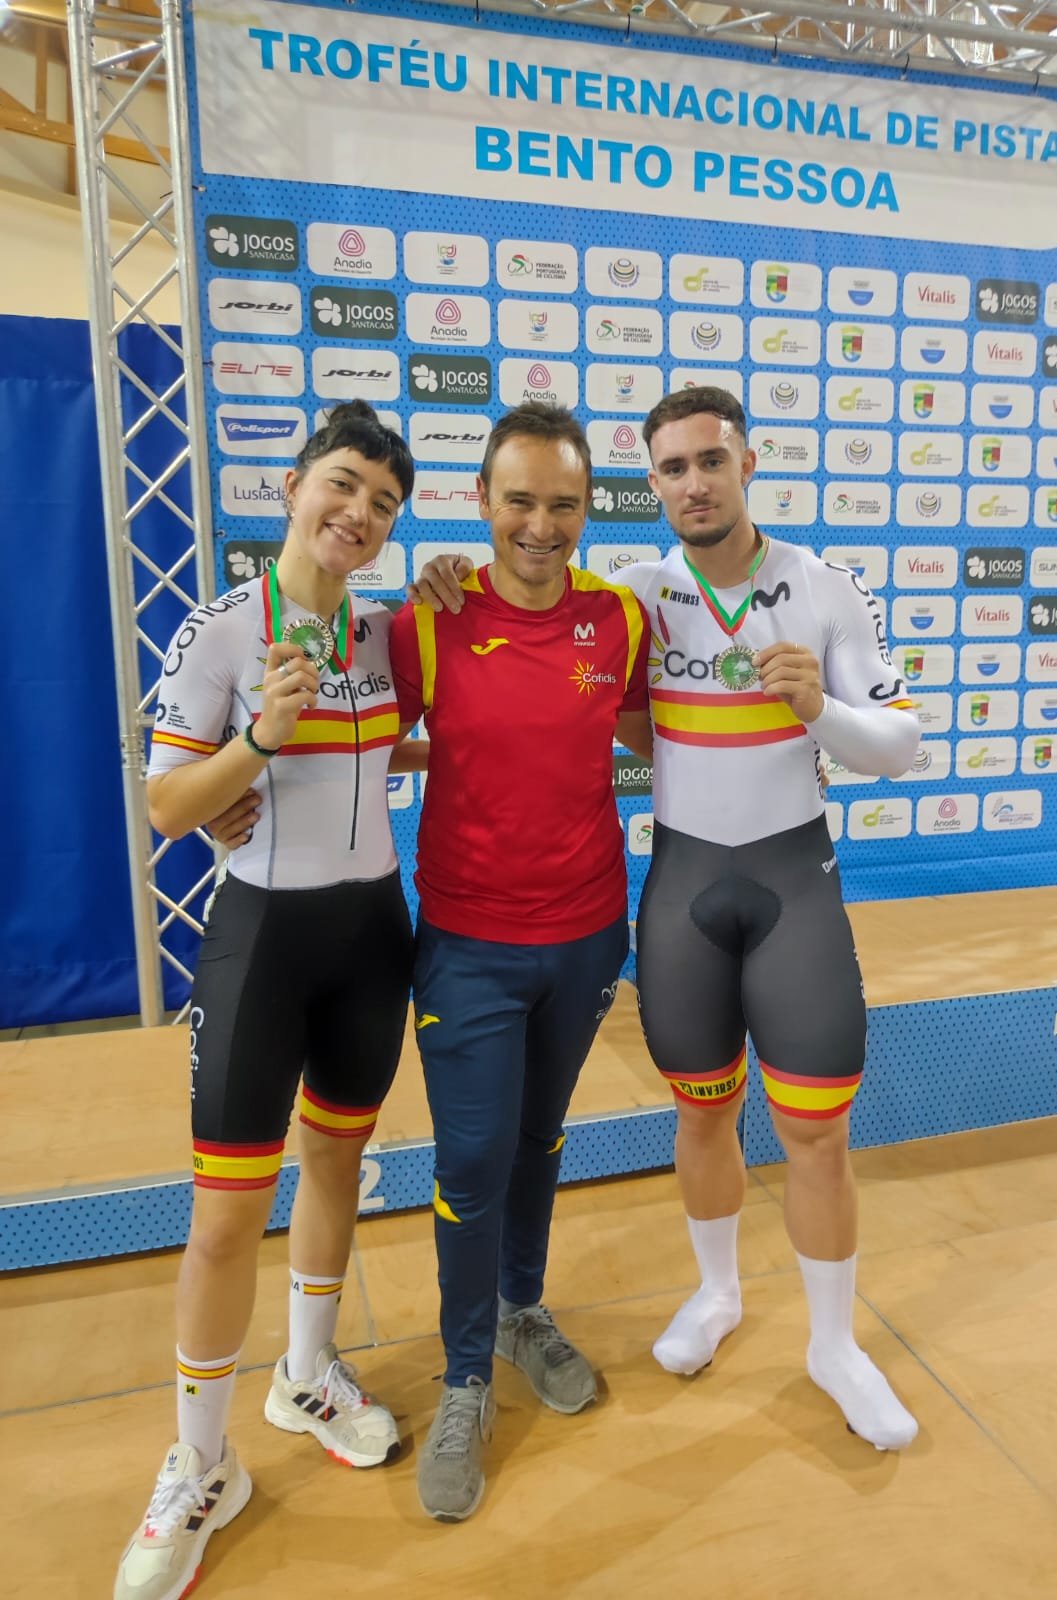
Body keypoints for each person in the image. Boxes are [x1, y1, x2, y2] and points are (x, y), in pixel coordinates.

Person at [414, 386, 922, 1453]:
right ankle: (719, 1292)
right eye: (672, 469)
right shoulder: (633, 595)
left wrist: (819, 711)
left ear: (747, 465)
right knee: (700, 1110)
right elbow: (530, 626)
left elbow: (903, 744)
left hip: (793, 885)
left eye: (711, 462)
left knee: (816, 1128)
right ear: (648, 484)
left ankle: (834, 1343)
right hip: (685, 887)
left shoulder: (826, 587)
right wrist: (442, 576)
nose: (694, 483)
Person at [115, 402, 418, 1600]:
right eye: (341, 485)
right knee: (225, 1215)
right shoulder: (222, 626)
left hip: (371, 935)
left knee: (338, 1164)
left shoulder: (390, 634)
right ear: (294, 484)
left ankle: (305, 1374)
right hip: (262, 942)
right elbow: (165, 807)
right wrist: (256, 741)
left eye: (383, 503)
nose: (357, 514)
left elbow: (416, 739)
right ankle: (199, 1462)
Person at [390, 402, 651, 1522]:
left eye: (562, 504)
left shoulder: (624, 620)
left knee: (541, 1137)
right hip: (468, 943)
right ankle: (461, 1377)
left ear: (589, 508)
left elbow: (670, 728)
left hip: (589, 931)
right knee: (473, 1154)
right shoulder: (429, 621)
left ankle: (520, 1307)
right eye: (518, 501)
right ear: (481, 502)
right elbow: (358, 740)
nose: (539, 526)